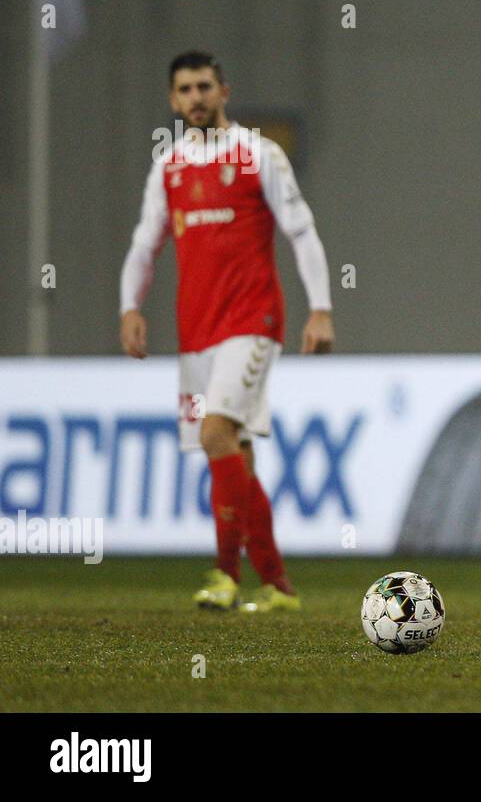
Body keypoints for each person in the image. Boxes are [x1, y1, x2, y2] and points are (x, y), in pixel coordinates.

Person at [119, 51, 335, 612]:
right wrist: (130, 307)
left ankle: (224, 573)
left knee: (216, 435)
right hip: (196, 333)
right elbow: (146, 243)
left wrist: (321, 308)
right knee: (233, 452)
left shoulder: (258, 154)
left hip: (252, 322)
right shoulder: (168, 165)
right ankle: (277, 586)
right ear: (173, 100)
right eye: (185, 89)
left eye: (205, 87)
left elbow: (301, 230)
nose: (196, 97)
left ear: (224, 91)